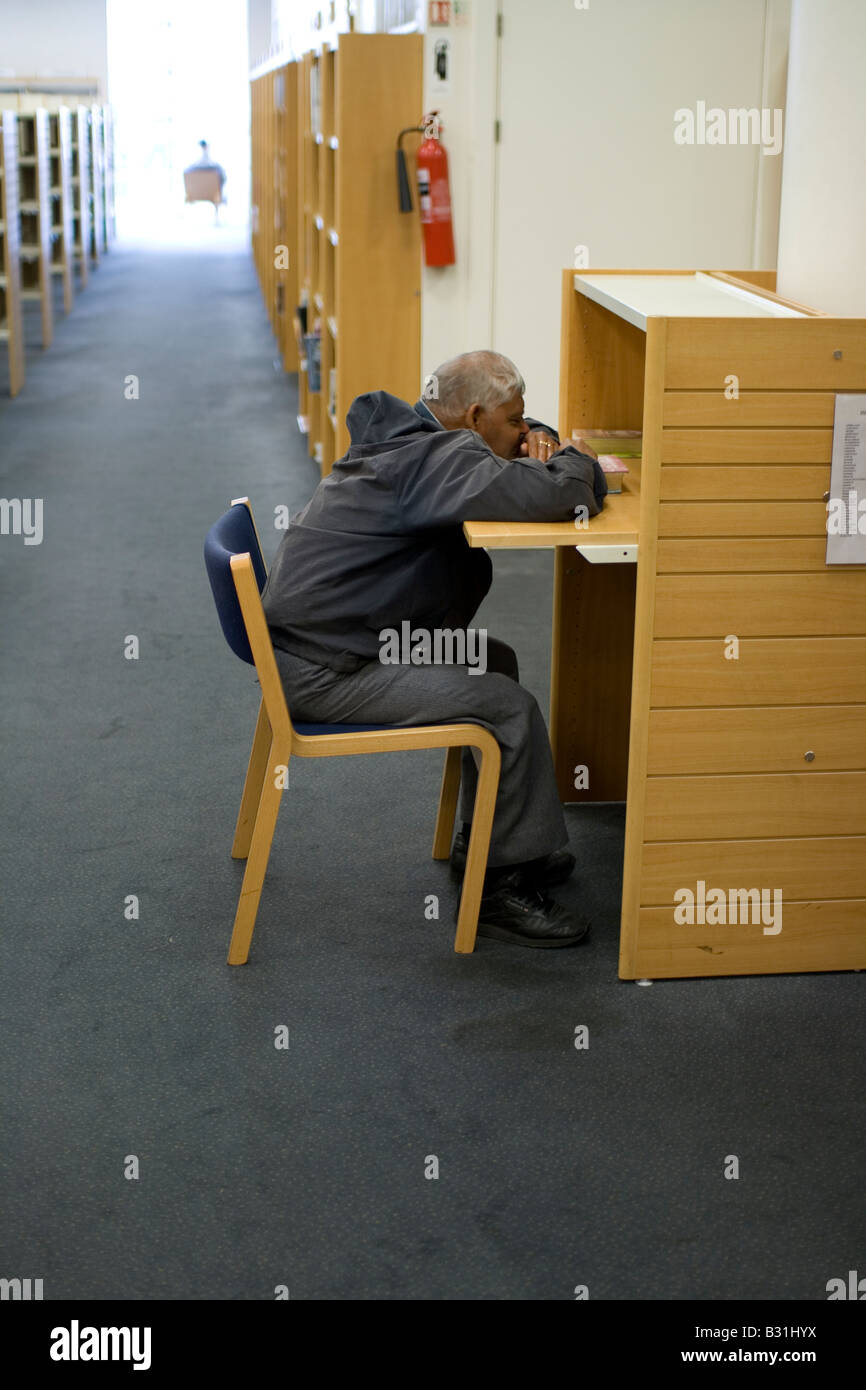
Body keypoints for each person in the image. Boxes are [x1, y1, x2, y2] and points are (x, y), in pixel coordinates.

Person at [262, 350, 607, 949]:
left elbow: (513, 462)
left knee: (494, 661)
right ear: (474, 417)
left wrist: (538, 436)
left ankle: (491, 842)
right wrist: (577, 456)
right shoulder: (434, 461)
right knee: (507, 706)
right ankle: (499, 892)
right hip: (326, 670)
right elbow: (565, 498)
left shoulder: (411, 437)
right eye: (517, 421)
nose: (524, 432)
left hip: (328, 644)